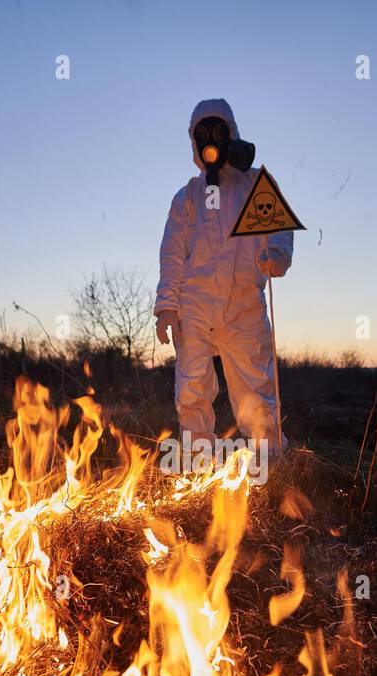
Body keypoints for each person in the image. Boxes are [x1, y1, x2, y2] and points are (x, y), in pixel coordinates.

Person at [154, 98, 292, 458]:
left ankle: (271, 461)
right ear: (193, 142)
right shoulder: (187, 198)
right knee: (192, 389)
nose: (210, 140)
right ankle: (198, 463)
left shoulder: (254, 183)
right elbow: (171, 255)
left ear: (231, 133)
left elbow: (278, 228)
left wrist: (277, 254)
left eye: (218, 131)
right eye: (202, 134)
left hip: (243, 302)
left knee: (255, 389)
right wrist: (167, 306)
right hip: (194, 306)